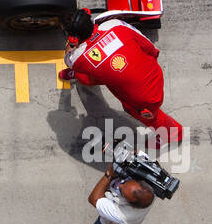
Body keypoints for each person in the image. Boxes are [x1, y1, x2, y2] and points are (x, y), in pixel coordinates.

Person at [60, 9, 183, 148]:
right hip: (149, 73)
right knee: (99, 74)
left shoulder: (77, 58)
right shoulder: (114, 24)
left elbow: (68, 57)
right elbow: (149, 47)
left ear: (73, 38)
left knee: (153, 119)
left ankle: (173, 134)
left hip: (143, 99)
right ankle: (80, 74)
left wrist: (71, 45)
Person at [67, 161, 154, 224]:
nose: (120, 184)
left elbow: (93, 199)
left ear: (130, 203)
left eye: (121, 191)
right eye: (125, 182)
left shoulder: (124, 215)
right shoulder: (151, 190)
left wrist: (108, 175)